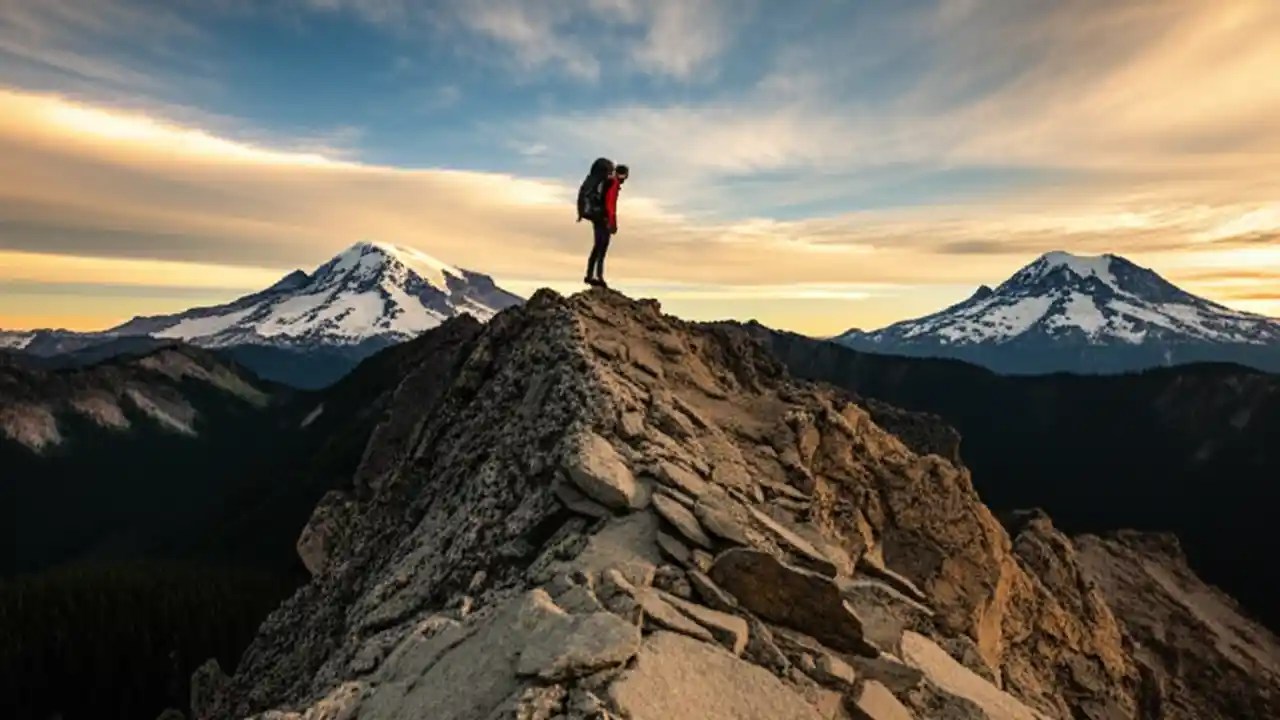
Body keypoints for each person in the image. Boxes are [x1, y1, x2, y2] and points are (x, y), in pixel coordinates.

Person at [584, 163, 628, 288]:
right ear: (623, 174)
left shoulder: (607, 182)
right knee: (602, 247)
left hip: (597, 216)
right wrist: (612, 223)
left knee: (597, 246)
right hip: (603, 218)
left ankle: (590, 275)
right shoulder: (613, 183)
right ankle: (598, 276)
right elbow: (610, 204)